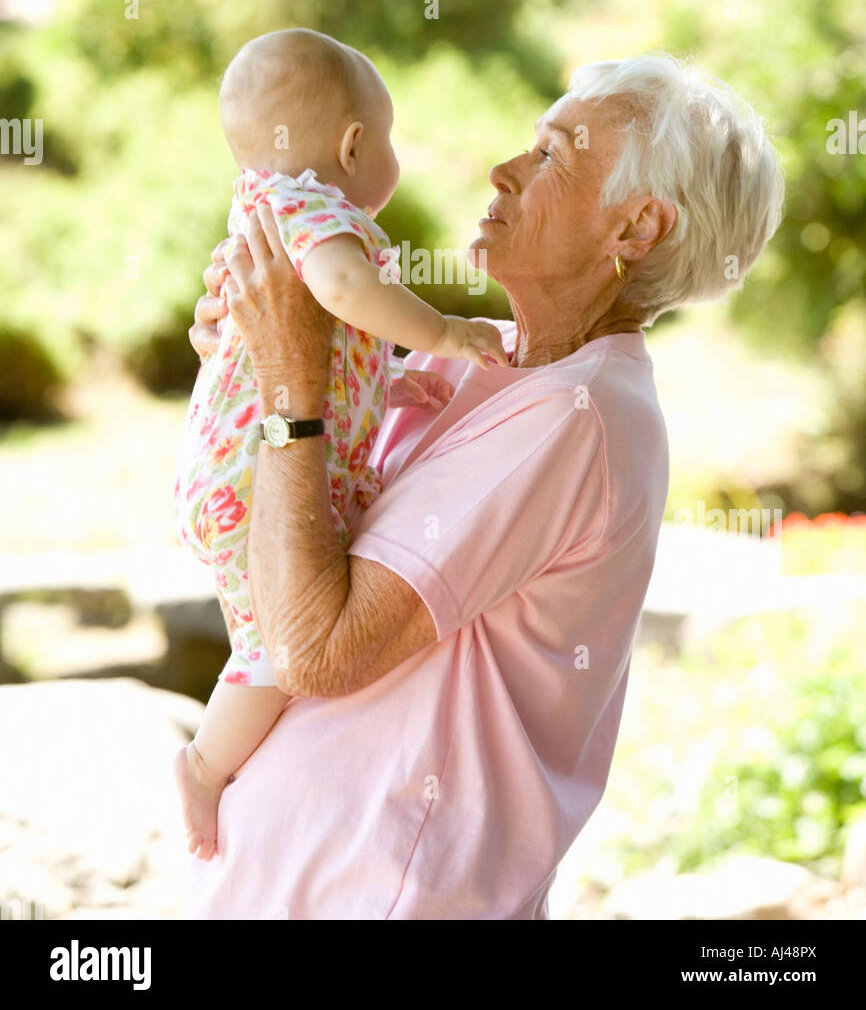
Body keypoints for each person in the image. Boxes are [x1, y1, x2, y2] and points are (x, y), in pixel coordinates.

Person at [184, 52, 784, 920]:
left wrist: (288, 382)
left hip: (380, 892)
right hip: (288, 877)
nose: (506, 168)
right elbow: (293, 516)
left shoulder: (576, 414)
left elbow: (316, 650)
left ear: (637, 227)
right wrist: (244, 357)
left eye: (554, 154)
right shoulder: (476, 357)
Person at [173, 28, 506, 862]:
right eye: (387, 140)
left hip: (235, 469)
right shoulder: (316, 211)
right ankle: (206, 767)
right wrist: (446, 329)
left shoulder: (271, 205)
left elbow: (328, 348)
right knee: (275, 650)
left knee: (269, 633)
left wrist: (397, 381)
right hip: (252, 478)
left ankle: (244, 767)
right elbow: (347, 292)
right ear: (355, 145)